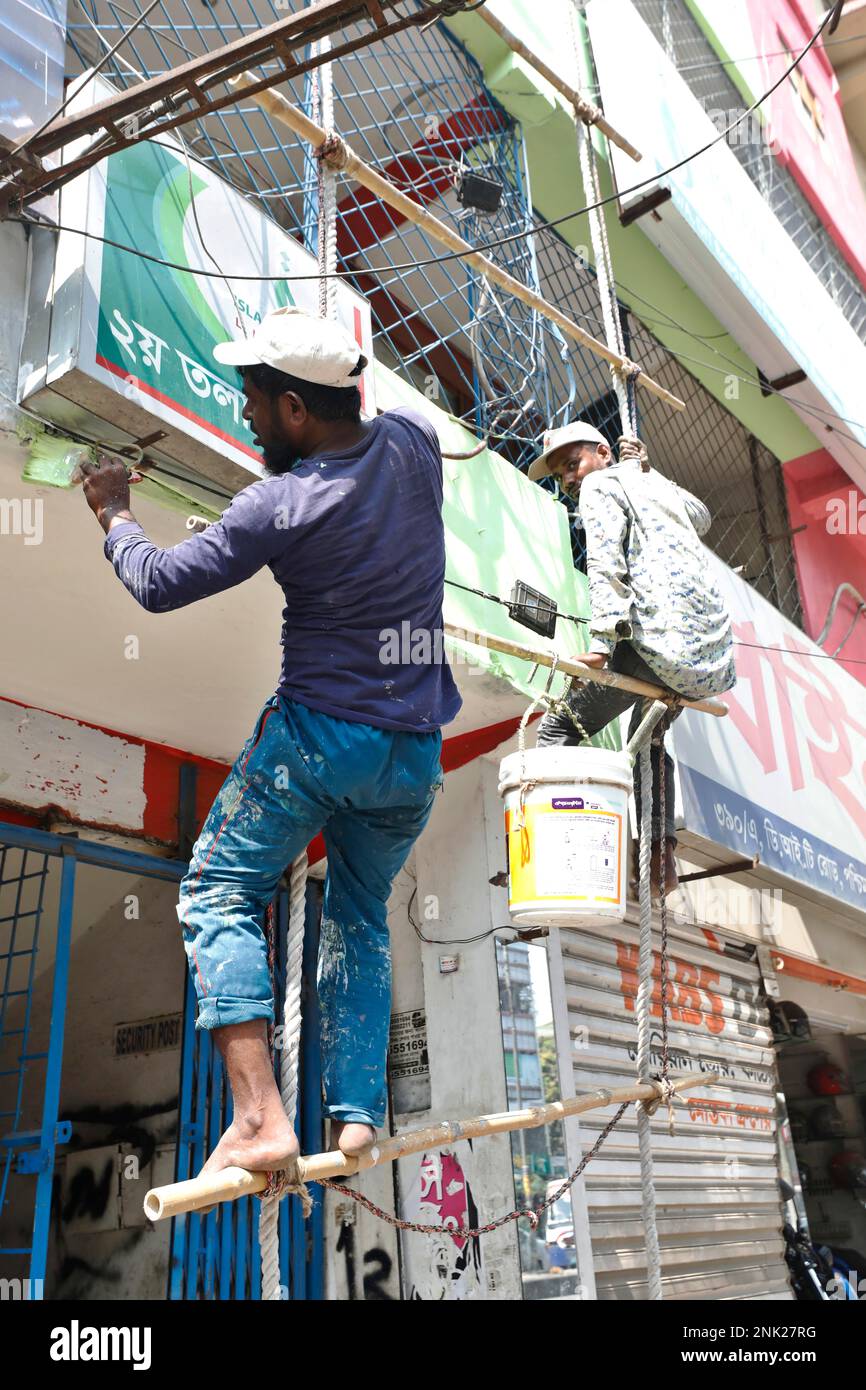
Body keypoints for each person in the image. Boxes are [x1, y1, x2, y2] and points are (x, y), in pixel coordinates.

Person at [80, 306, 462, 1177]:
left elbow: (160, 583)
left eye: (253, 401)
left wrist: (115, 513)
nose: (245, 416)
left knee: (217, 892)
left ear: (295, 410)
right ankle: (357, 1116)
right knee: (360, 917)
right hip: (414, 753)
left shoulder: (279, 504)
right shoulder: (413, 445)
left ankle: (260, 1118)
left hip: (321, 737)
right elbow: (403, 413)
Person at [528, 420, 735, 893]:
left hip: (655, 644)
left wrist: (602, 643)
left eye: (572, 465)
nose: (570, 480)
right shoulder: (647, 483)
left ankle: (558, 858)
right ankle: (660, 860)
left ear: (602, 452)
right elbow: (699, 516)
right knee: (649, 740)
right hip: (705, 658)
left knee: (558, 729)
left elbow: (606, 567)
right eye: (561, 476)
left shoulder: (600, 486)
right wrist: (647, 470)